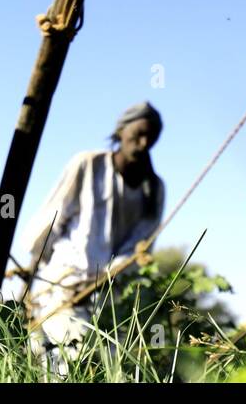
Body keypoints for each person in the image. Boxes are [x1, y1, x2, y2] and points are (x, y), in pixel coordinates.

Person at [21, 101, 166, 371]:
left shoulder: (154, 189)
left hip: (112, 299)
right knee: (64, 368)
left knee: (109, 371)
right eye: (138, 135)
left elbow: (141, 247)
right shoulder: (88, 164)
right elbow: (52, 218)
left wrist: (109, 275)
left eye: (151, 138)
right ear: (121, 132)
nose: (143, 144)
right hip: (64, 287)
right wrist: (29, 279)